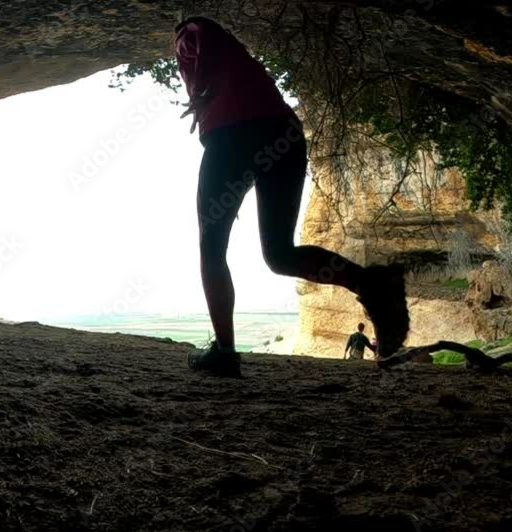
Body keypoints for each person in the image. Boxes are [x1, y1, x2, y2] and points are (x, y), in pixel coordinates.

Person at [175, 16, 409, 377]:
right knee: (279, 255)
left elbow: (198, 36)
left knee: (212, 246)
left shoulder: (189, 31)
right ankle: (373, 285)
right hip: (283, 135)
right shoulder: (240, 60)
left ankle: (224, 352)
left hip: (232, 138)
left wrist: (202, 89)